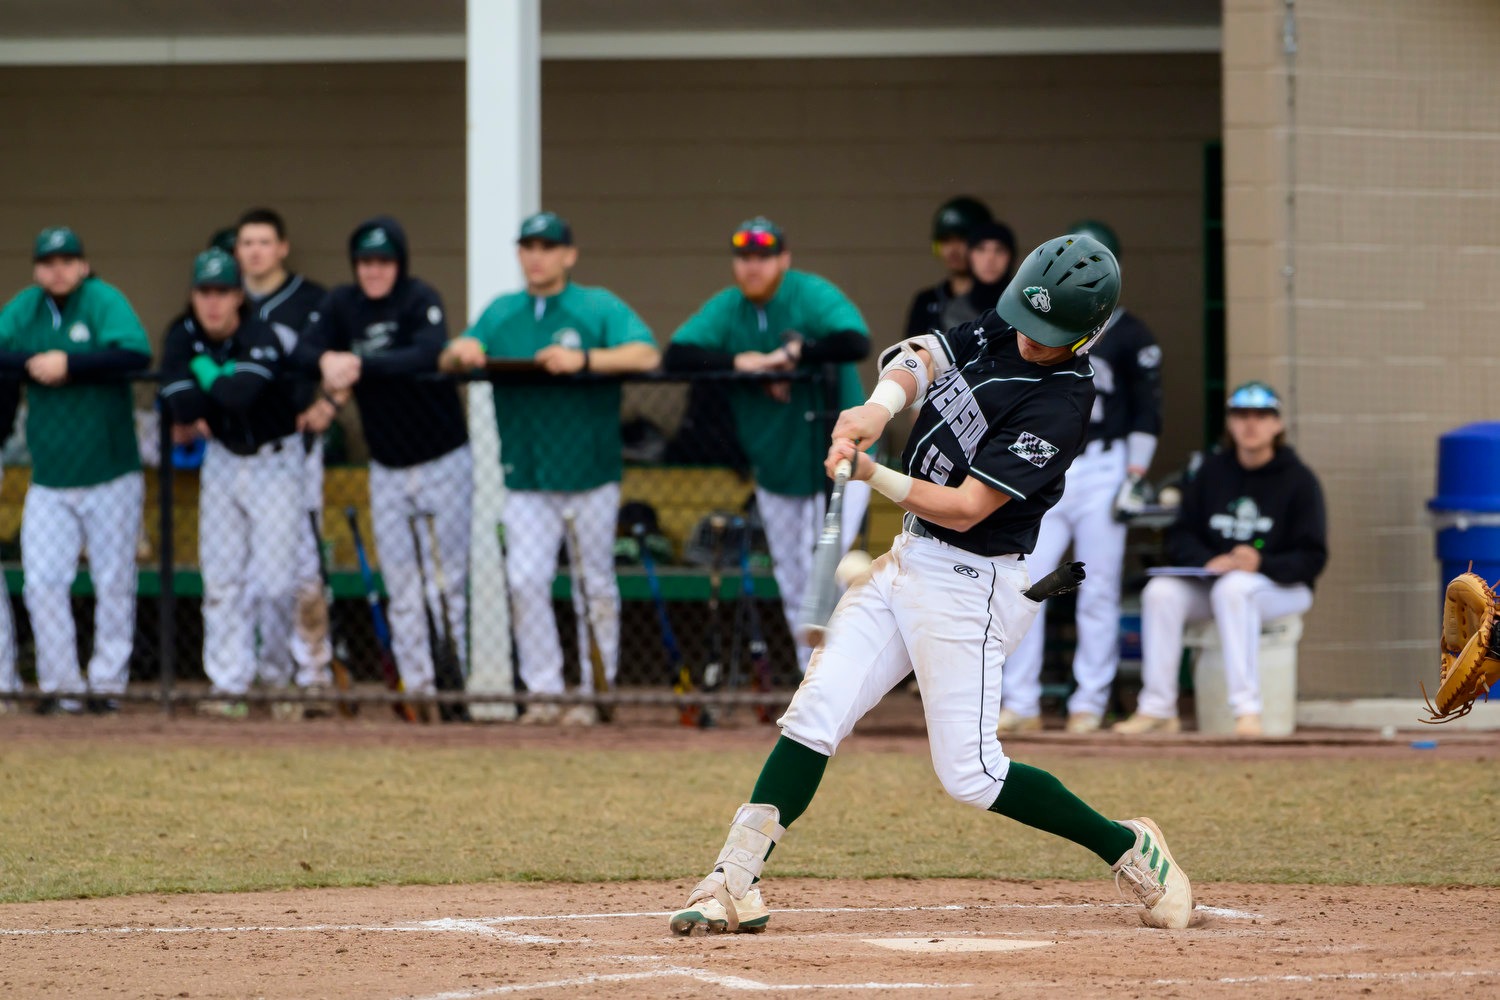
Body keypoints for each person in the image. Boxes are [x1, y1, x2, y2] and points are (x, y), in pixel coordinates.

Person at [668, 233, 1193, 937]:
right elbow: (923, 354)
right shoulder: (1011, 324)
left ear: (1085, 334)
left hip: (973, 584)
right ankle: (732, 880)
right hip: (907, 561)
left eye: (1049, 334)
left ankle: (1127, 846)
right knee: (815, 712)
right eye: (1026, 323)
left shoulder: (1064, 398)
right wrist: (877, 411)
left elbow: (970, 506)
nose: (1030, 340)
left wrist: (872, 475)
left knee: (972, 776)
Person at [439, 211, 660, 726]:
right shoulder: (503, 310)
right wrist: (461, 350)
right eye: (527, 247)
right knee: (524, 580)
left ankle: (592, 693)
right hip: (527, 475)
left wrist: (583, 362)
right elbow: (455, 353)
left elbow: (646, 353)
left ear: (568, 254)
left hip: (591, 473)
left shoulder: (594, 304)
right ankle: (543, 693)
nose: (536, 256)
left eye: (546, 246)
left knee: (594, 585)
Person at [663, 217, 871, 672]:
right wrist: (746, 362)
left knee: (827, 569)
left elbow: (854, 340)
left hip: (839, 460)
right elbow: (677, 355)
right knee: (792, 576)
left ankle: (846, 675)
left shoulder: (806, 293)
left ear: (783, 259)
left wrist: (795, 355)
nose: (752, 267)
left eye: (763, 257)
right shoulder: (730, 308)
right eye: (744, 258)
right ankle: (810, 677)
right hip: (776, 468)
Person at [999, 220, 1164, 734]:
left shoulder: (1131, 333)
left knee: (1098, 589)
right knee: (1027, 583)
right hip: (1046, 462)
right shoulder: (1040, 325)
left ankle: (1088, 704)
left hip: (1103, 466)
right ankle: (1020, 702)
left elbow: (1147, 410)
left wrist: (1135, 473)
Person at [305, 216, 471, 705]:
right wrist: (325, 364)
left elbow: (426, 354)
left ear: (399, 264)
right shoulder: (341, 304)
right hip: (387, 464)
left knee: (446, 582)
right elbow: (309, 349)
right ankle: (417, 689)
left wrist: (359, 367)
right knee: (401, 583)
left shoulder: (420, 297)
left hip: (442, 458)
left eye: (383, 262)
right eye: (365, 262)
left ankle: (451, 686)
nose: (374, 271)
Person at [1114, 381, 1326, 737]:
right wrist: (1210, 558)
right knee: (1161, 591)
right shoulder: (1212, 471)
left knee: (1236, 588)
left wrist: (1261, 562)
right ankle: (1158, 708)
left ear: (1278, 425)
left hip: (1283, 588)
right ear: (1229, 423)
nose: (1251, 424)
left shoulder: (1299, 480)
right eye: (1241, 415)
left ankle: (1247, 712)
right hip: (1217, 583)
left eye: (1261, 416)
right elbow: (1180, 534)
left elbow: (1312, 558)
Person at [0, 226, 152, 715]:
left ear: (83, 265)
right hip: (49, 475)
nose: (58, 269)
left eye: (68, 260)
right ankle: (60, 685)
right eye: (49, 262)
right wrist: (33, 363)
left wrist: (70, 363)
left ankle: (106, 685)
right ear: (37, 269)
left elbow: (134, 353)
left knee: (113, 581)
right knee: (42, 580)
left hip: (111, 471)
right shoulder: (26, 306)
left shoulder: (102, 298)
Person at [161, 250, 317, 717]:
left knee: (274, 582)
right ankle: (228, 685)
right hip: (224, 462)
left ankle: (275, 678)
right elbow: (178, 405)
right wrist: (215, 383)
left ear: (238, 297)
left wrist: (204, 371)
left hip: (276, 462)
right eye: (204, 292)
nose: (213, 303)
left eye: (223, 292)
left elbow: (238, 395)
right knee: (222, 579)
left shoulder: (259, 332)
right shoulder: (181, 333)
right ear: (193, 296)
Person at [233, 207, 336, 713]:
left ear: (282, 247)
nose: (255, 251)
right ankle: (257, 674)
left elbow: (340, 361)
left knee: (302, 567)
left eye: (263, 241)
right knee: (246, 571)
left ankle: (313, 672)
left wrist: (331, 404)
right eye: (246, 243)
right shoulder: (223, 302)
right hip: (236, 453)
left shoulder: (311, 301)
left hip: (295, 450)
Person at [902, 195, 993, 336]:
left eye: (962, 239)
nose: (953, 249)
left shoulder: (1005, 297)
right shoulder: (927, 300)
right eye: (946, 240)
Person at [963, 220, 1018, 316]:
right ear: (969, 256)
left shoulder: (1026, 308)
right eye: (981, 249)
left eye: (999, 250)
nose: (990, 258)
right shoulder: (952, 312)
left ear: (1011, 257)